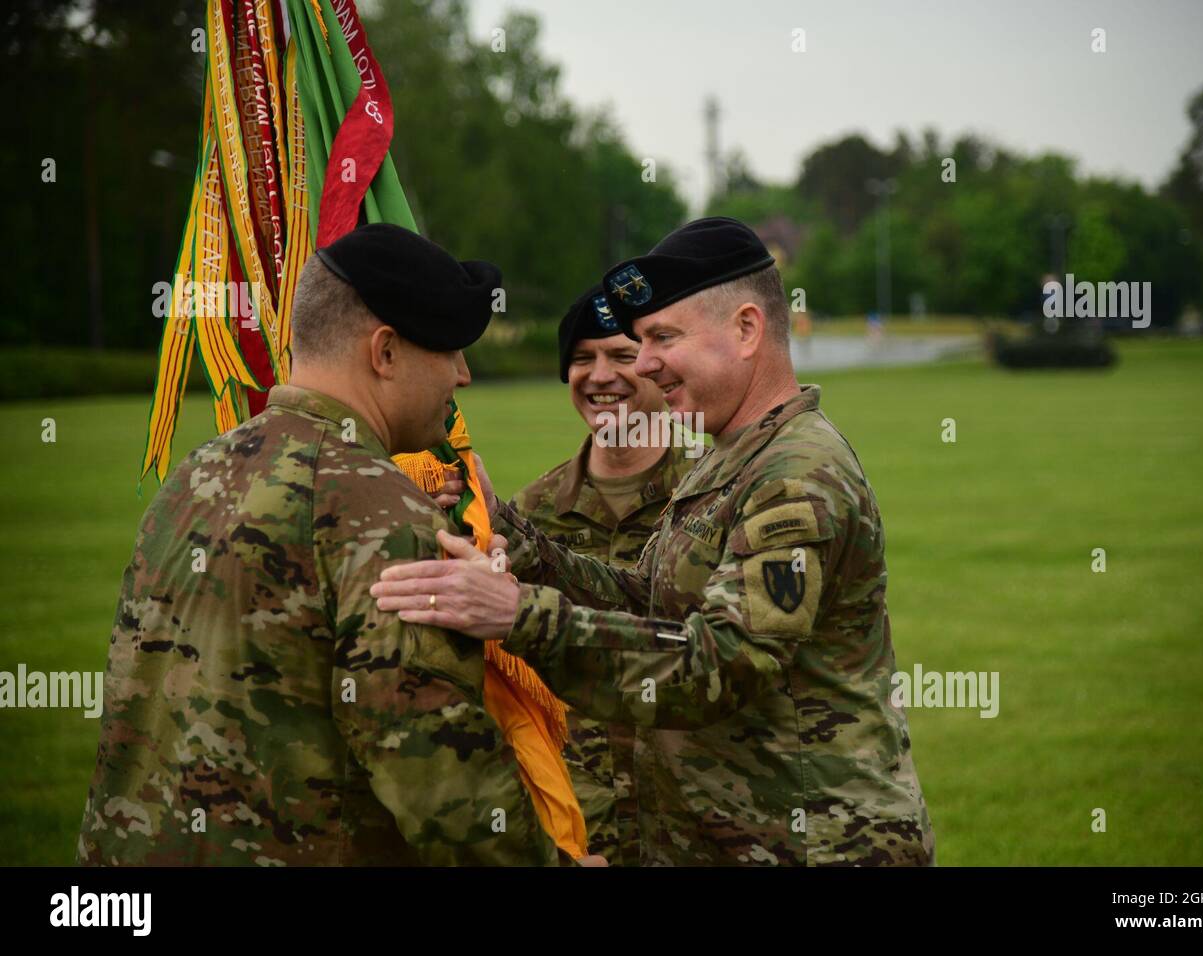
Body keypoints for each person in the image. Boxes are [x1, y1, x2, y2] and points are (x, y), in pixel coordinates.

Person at [371, 217, 935, 866]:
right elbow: (649, 604)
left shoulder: (797, 474)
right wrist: (511, 533)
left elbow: (720, 664)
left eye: (663, 337)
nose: (642, 364)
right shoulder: (732, 457)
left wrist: (518, 616)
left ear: (747, 330)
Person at [78, 224, 555, 866]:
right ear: (384, 352)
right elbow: (437, 777)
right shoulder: (378, 507)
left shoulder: (192, 476)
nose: (464, 376)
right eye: (451, 350)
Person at [508, 285, 693, 865]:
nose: (599, 376)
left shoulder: (714, 493)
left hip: (699, 823)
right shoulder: (528, 515)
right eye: (582, 359)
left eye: (620, 355)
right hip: (583, 829)